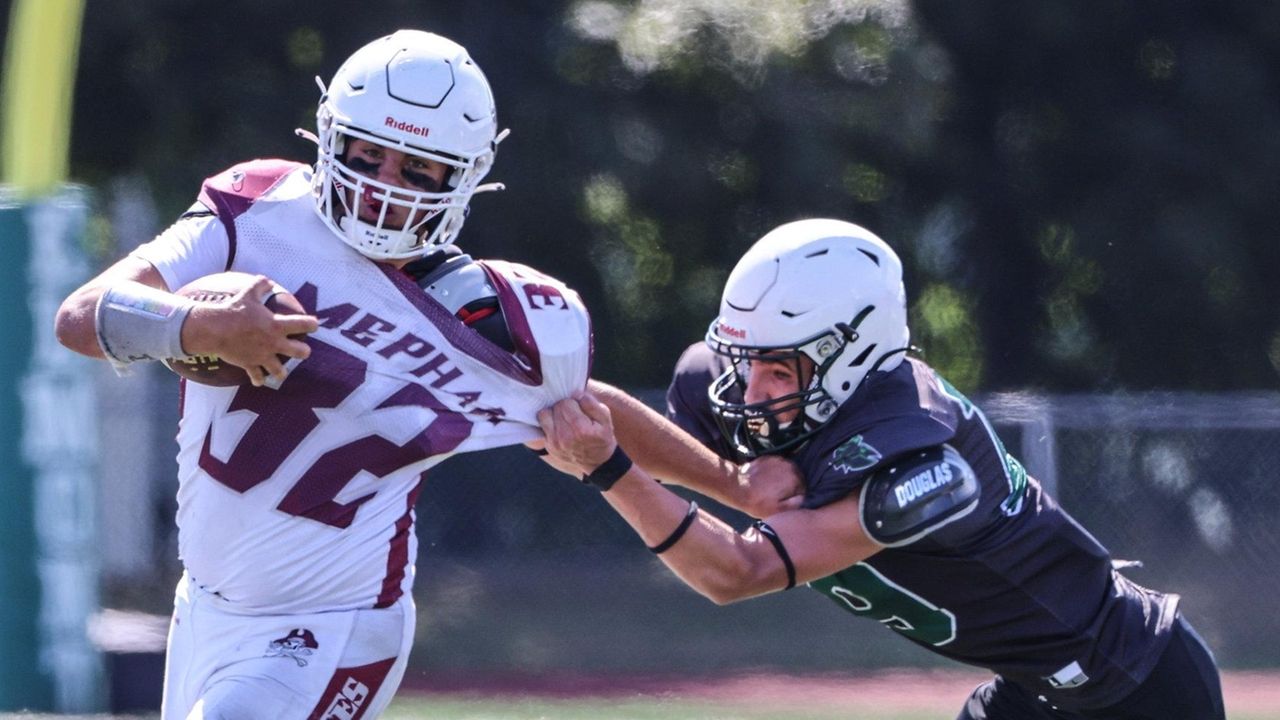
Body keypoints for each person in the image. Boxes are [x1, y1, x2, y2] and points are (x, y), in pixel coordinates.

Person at [55, 30, 593, 720]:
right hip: (207, 605)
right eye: (370, 156)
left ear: (464, 177)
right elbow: (81, 316)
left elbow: (584, 411)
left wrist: (709, 490)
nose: (383, 187)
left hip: (335, 626)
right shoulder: (259, 209)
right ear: (331, 139)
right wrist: (198, 327)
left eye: (418, 170)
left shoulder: (471, 309)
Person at [538, 219, 1226, 720]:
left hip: (1135, 690)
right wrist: (731, 481)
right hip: (1031, 690)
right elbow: (582, 403)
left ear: (853, 354)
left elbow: (737, 572)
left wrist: (611, 473)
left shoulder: (923, 463)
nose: (748, 394)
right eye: (747, 363)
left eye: (778, 369)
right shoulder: (772, 387)